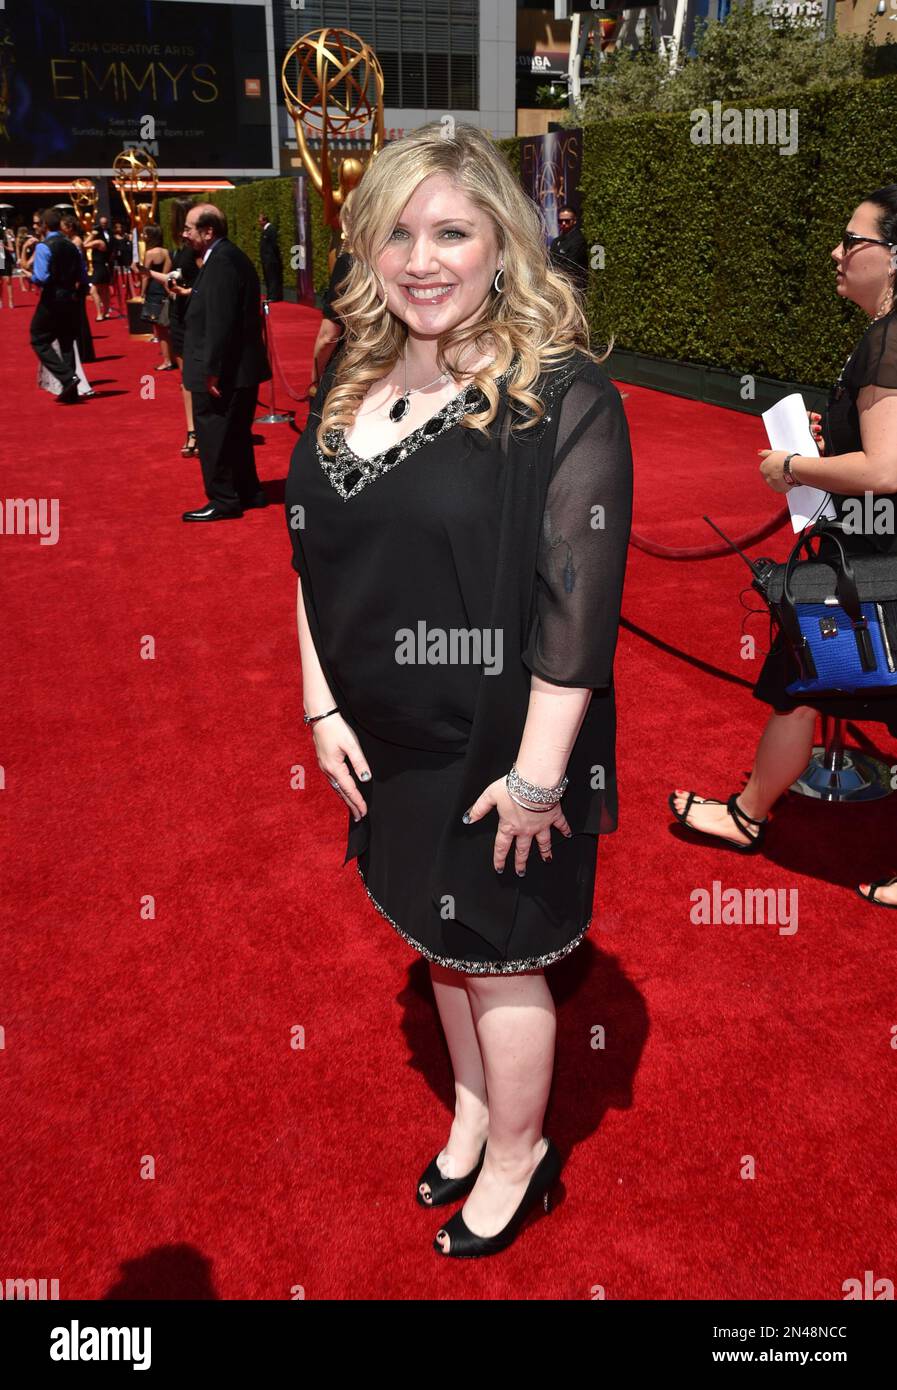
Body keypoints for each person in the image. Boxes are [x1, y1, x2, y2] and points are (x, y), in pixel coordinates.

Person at [283, 122, 632, 1258]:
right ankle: (476, 1113)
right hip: (389, 742)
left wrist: (537, 781)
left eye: (452, 231)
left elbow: (575, 609)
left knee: (505, 961)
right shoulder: (354, 370)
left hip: (501, 744)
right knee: (441, 950)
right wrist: (321, 702)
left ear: (502, 246)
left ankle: (522, 1156)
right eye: (398, 232)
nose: (422, 259)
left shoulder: (561, 396)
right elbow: (309, 550)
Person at [669, 184, 897, 907]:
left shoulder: (891, 337)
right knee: (801, 686)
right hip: (875, 558)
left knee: (798, 685)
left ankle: (744, 815)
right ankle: (745, 812)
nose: (837, 252)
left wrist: (791, 467)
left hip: (873, 566)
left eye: (852, 241)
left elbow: (885, 471)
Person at [181, 203, 272, 520]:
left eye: (189, 228)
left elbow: (220, 321)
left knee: (216, 435)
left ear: (208, 232)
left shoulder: (221, 261)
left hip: (225, 371)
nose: (183, 234)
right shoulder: (228, 257)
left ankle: (223, 499)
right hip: (238, 368)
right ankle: (249, 491)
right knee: (235, 435)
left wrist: (211, 372)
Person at [141, 199, 203, 455]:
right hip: (179, 315)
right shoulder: (178, 249)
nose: (183, 230)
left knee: (193, 379)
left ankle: (196, 432)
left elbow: (202, 286)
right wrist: (151, 276)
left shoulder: (197, 251)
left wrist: (185, 290)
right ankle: (193, 430)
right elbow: (174, 277)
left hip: (192, 317)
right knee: (186, 379)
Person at [25, 207, 87, 404]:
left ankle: (67, 378)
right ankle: (71, 391)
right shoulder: (72, 246)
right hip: (70, 298)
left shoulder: (44, 247)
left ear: (44, 226)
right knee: (66, 342)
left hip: (52, 298)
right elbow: (82, 274)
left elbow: (41, 277)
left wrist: (32, 276)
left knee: (38, 338)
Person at [308, 236, 352, 396]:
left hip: (352, 367)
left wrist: (315, 377)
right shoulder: (397, 260)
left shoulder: (349, 262)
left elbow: (328, 335)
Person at [59, 214, 96, 366]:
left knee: (80, 317)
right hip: (75, 280)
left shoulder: (76, 241)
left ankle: (84, 351)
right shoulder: (70, 241)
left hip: (77, 282)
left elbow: (77, 263)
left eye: (63, 226)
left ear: (69, 227)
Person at [137, 226, 174, 370]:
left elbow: (146, 275)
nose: (143, 236)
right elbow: (166, 274)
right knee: (167, 326)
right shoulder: (167, 252)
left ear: (150, 236)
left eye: (145, 234)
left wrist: (142, 292)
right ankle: (172, 357)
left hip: (153, 291)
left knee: (160, 329)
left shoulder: (150, 253)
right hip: (165, 288)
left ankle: (167, 361)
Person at [548, 205, 588, 298]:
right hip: (557, 287)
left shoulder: (579, 240)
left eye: (567, 220)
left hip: (574, 288)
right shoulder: (556, 241)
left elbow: (572, 265)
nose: (563, 223)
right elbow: (550, 262)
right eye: (560, 221)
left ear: (574, 221)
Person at [83, 215, 113, 320]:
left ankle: (100, 314)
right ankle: (106, 312)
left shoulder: (98, 242)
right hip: (103, 266)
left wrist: (91, 235)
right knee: (104, 290)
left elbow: (84, 244)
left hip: (100, 267)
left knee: (93, 291)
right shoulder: (103, 241)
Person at [258, 211, 283, 301]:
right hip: (266, 259)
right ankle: (270, 295)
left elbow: (273, 244)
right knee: (268, 277)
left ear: (265, 220)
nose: (259, 222)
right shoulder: (265, 230)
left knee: (272, 277)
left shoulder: (271, 229)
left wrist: (273, 256)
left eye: (260, 220)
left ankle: (273, 296)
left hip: (271, 259)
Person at [1, 221, 16, 308]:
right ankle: (0, 300)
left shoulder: (6, 237)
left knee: (8, 280)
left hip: (6, 259)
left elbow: (12, 249)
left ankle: (11, 300)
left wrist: (4, 247)